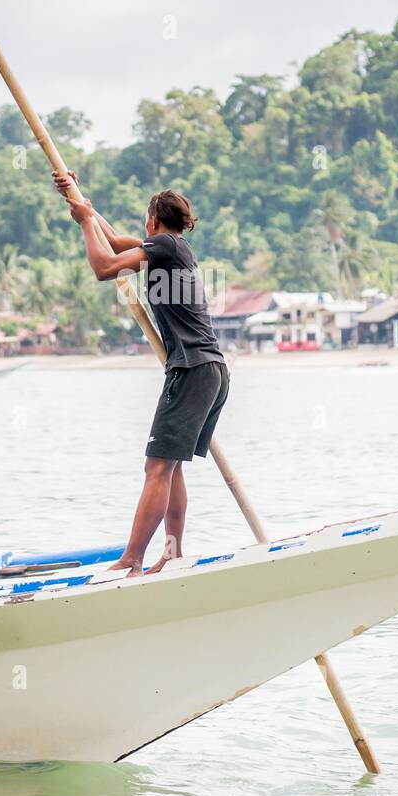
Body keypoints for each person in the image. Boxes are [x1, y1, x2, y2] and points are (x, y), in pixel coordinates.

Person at [53, 171, 229, 577]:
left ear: (152, 220)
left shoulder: (164, 246)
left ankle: (132, 559)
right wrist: (82, 203)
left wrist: (83, 223)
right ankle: (172, 552)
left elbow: (105, 265)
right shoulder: (173, 247)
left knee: (156, 467)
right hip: (212, 371)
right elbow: (115, 241)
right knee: (171, 467)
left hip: (191, 369)